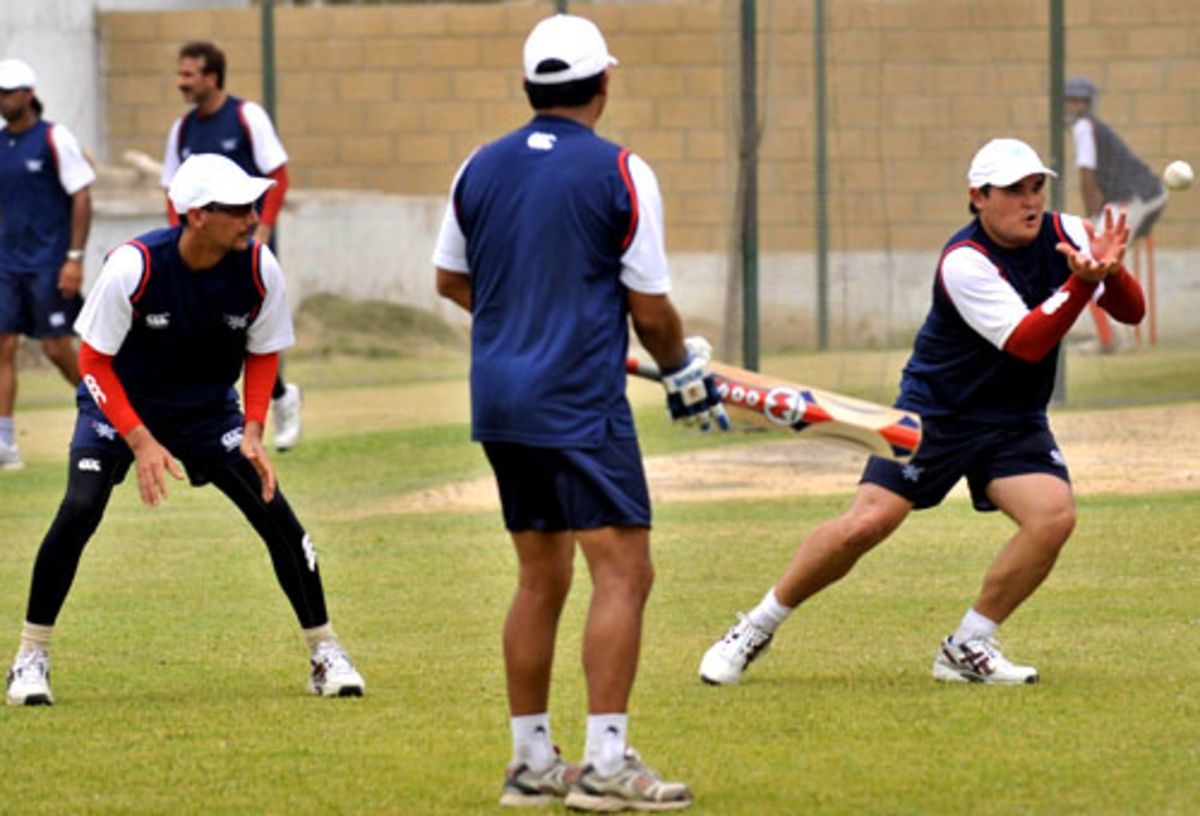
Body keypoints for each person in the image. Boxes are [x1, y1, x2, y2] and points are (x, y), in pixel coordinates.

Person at [698, 138, 1145, 688]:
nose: (1030, 201)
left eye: (1036, 187)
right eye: (1012, 191)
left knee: (1053, 517)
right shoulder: (965, 261)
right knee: (865, 525)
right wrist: (1083, 281)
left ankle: (967, 645)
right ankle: (755, 628)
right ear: (978, 197)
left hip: (1013, 420)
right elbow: (1028, 342)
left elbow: (1131, 311)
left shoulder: (1068, 234)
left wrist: (1109, 272)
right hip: (937, 414)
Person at [434, 14, 726, 812]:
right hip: (578, 401)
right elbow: (653, 310)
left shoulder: (478, 167)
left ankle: (531, 762)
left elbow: (453, 282)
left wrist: (524, 315)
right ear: (604, 84)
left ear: (531, 88)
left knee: (541, 575)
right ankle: (604, 763)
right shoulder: (621, 171)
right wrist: (679, 371)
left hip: (498, 398)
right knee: (624, 569)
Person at [4, 154, 364, 707]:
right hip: (120, 408)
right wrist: (141, 440)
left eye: (254, 205)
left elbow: (263, 355)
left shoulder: (260, 268)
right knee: (79, 508)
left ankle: (325, 652)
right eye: (239, 209)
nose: (253, 217)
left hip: (207, 413)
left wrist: (253, 429)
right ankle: (31, 657)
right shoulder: (134, 265)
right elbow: (94, 365)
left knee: (275, 514)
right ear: (197, 215)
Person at [160, 41, 302, 450]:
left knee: (244, 327)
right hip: (197, 250)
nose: (181, 83)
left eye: (188, 74)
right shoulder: (182, 130)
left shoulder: (246, 116)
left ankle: (276, 400)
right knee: (210, 330)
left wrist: (263, 230)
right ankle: (259, 402)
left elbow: (279, 174)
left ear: (212, 77)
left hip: (242, 243)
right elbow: (173, 191)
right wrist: (177, 240)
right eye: (180, 73)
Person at [0, 58, 95, 470]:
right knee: (3, 346)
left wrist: (73, 258)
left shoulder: (55, 138)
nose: (2, 100)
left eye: (8, 92)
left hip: (48, 264)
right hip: (6, 265)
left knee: (57, 348)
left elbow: (81, 195)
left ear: (28, 94)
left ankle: (105, 409)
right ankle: (5, 442)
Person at [1064, 75, 1167, 353]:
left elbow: (1088, 177)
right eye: (1070, 100)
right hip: (1141, 194)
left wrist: (1092, 217)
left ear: (1088, 104)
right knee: (1090, 256)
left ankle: (1111, 340)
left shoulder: (1084, 126)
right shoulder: (1090, 126)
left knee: (1091, 257)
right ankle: (1111, 336)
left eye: (1079, 101)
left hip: (1138, 196)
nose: (1074, 106)